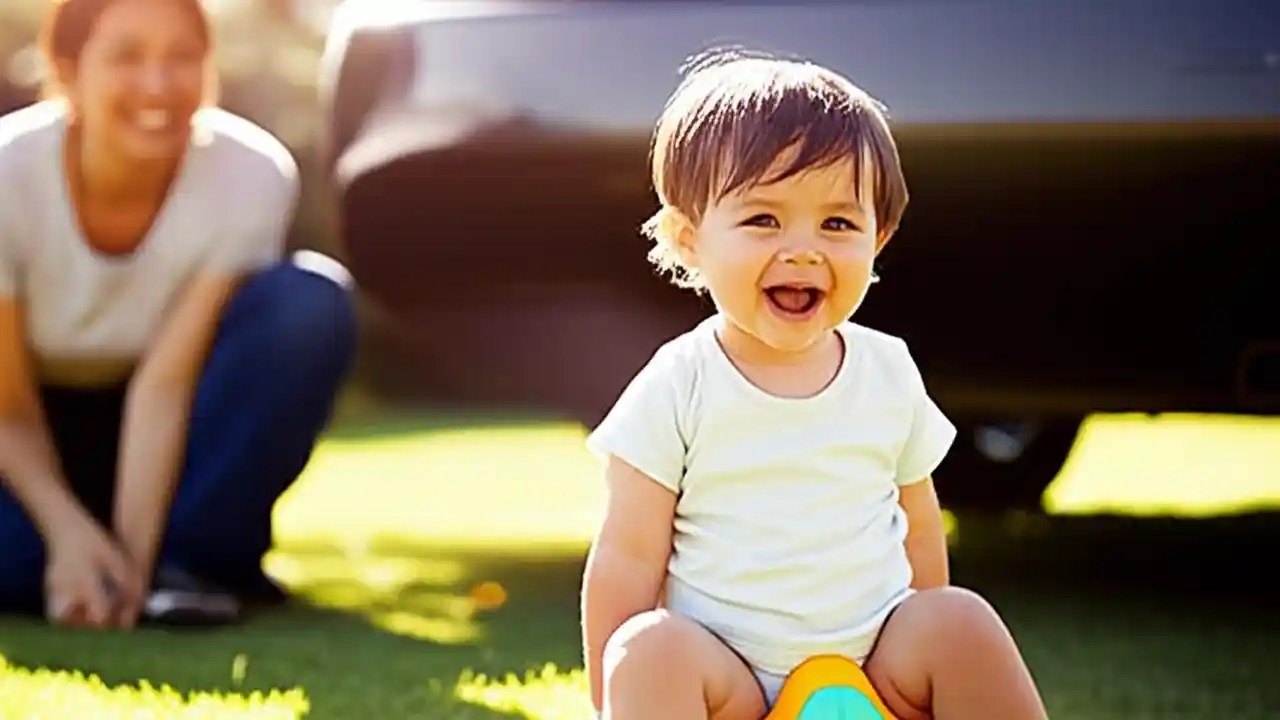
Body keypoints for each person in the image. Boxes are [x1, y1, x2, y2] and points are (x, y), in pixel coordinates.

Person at [580, 49, 1050, 719]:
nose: (803, 249)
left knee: (958, 619)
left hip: (872, 681)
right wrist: (618, 693)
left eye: (837, 223)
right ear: (689, 240)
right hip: (731, 689)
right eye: (763, 219)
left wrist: (924, 654)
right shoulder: (678, 384)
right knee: (649, 648)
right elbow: (628, 557)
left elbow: (919, 531)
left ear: (878, 238)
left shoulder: (888, 370)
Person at [0, 0, 357, 629]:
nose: (159, 85)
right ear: (67, 68)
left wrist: (136, 568)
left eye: (183, 58)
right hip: (30, 427)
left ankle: (187, 562)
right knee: (20, 565)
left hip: (175, 423)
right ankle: (69, 558)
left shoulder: (252, 174)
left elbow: (166, 382)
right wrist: (66, 534)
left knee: (307, 301)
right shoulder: (8, 174)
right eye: (127, 57)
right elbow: (10, 407)